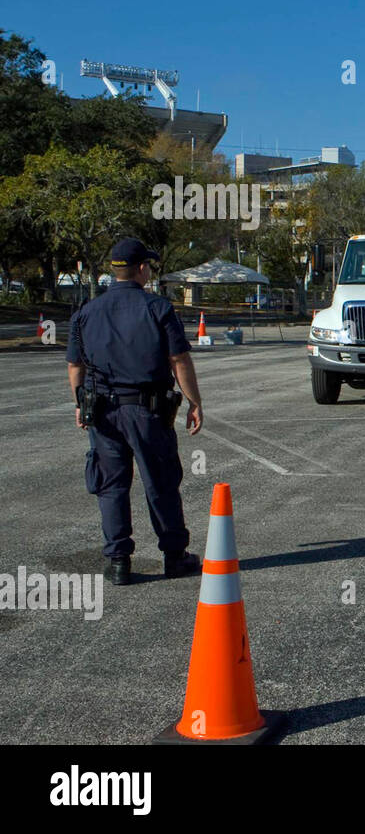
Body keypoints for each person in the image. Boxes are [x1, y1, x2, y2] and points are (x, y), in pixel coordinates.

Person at [66, 238, 205, 586]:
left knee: (111, 486)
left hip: (103, 412)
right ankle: (174, 556)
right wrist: (194, 401)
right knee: (160, 483)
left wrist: (80, 404)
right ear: (141, 268)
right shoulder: (158, 308)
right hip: (147, 411)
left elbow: (75, 366)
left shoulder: (86, 312)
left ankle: (118, 562)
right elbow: (178, 360)